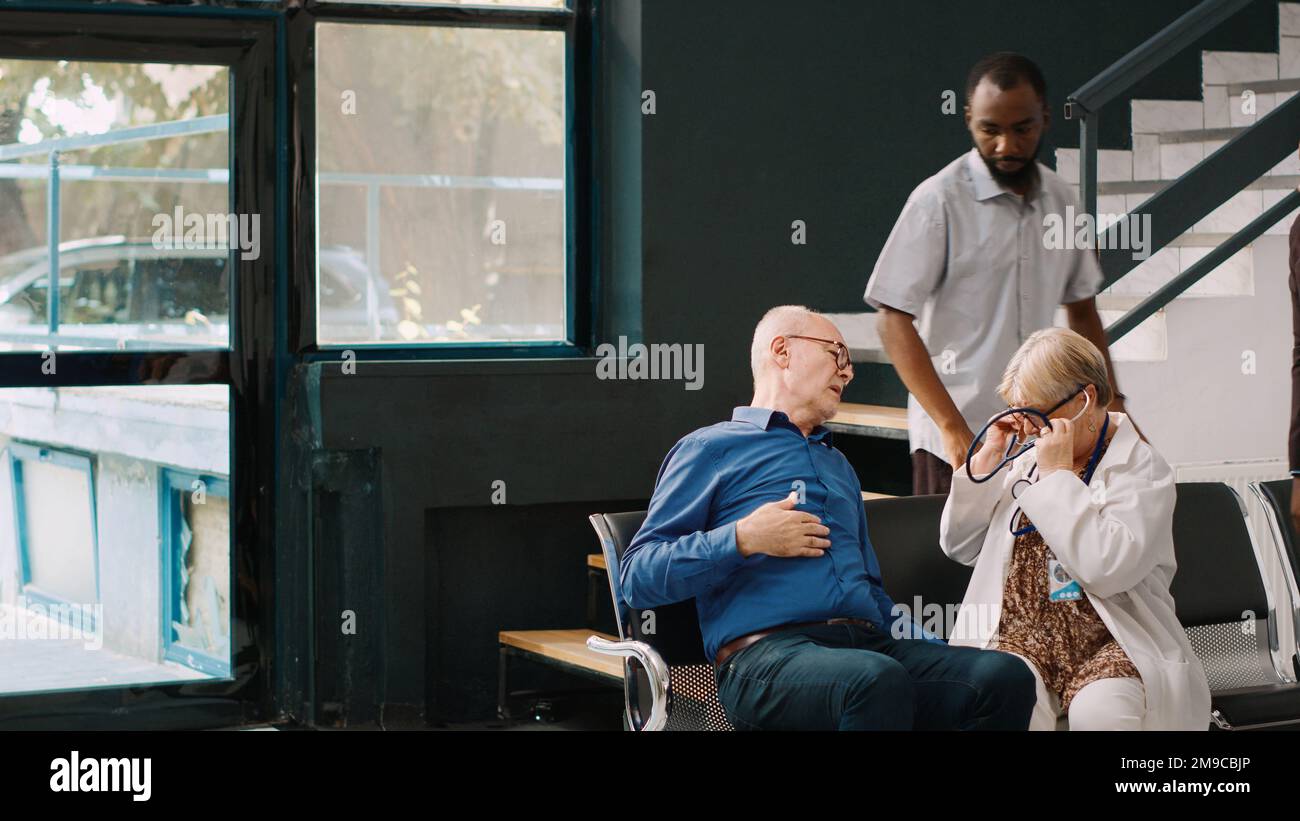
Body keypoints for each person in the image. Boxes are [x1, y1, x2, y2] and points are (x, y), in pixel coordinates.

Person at [619, 305, 1036, 730]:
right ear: (782, 351)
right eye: (837, 353)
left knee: (1001, 676)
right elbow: (636, 577)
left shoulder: (838, 466)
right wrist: (743, 537)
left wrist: (944, 651)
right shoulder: (709, 450)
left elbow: (873, 597)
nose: (848, 372)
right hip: (766, 660)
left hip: (868, 647)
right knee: (873, 681)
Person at [865, 52, 1132, 496]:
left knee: (1029, 564)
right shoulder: (938, 201)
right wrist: (950, 428)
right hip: (958, 437)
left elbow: (1082, 311)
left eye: (1022, 128)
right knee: (951, 566)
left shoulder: (1062, 201)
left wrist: (1112, 404)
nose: (1006, 145)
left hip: (1039, 434)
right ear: (969, 119)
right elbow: (891, 319)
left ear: (1045, 119)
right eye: (990, 130)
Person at [939, 327, 1210, 730]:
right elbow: (959, 545)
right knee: (1008, 697)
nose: (1028, 430)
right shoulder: (1026, 457)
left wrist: (1057, 477)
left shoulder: (1141, 467)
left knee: (1101, 712)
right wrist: (988, 458)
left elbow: (1105, 569)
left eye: (1036, 413)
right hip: (1018, 637)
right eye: (1019, 413)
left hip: (1111, 640)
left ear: (1084, 400)